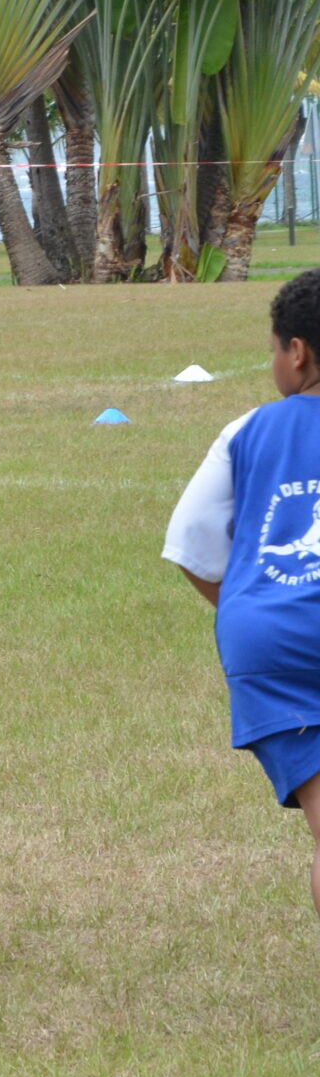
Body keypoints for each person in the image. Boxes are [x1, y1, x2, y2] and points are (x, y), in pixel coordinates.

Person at [165, 269, 320, 923]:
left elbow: (190, 544)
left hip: (271, 645)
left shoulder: (247, 430)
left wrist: (246, 608)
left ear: (298, 353)